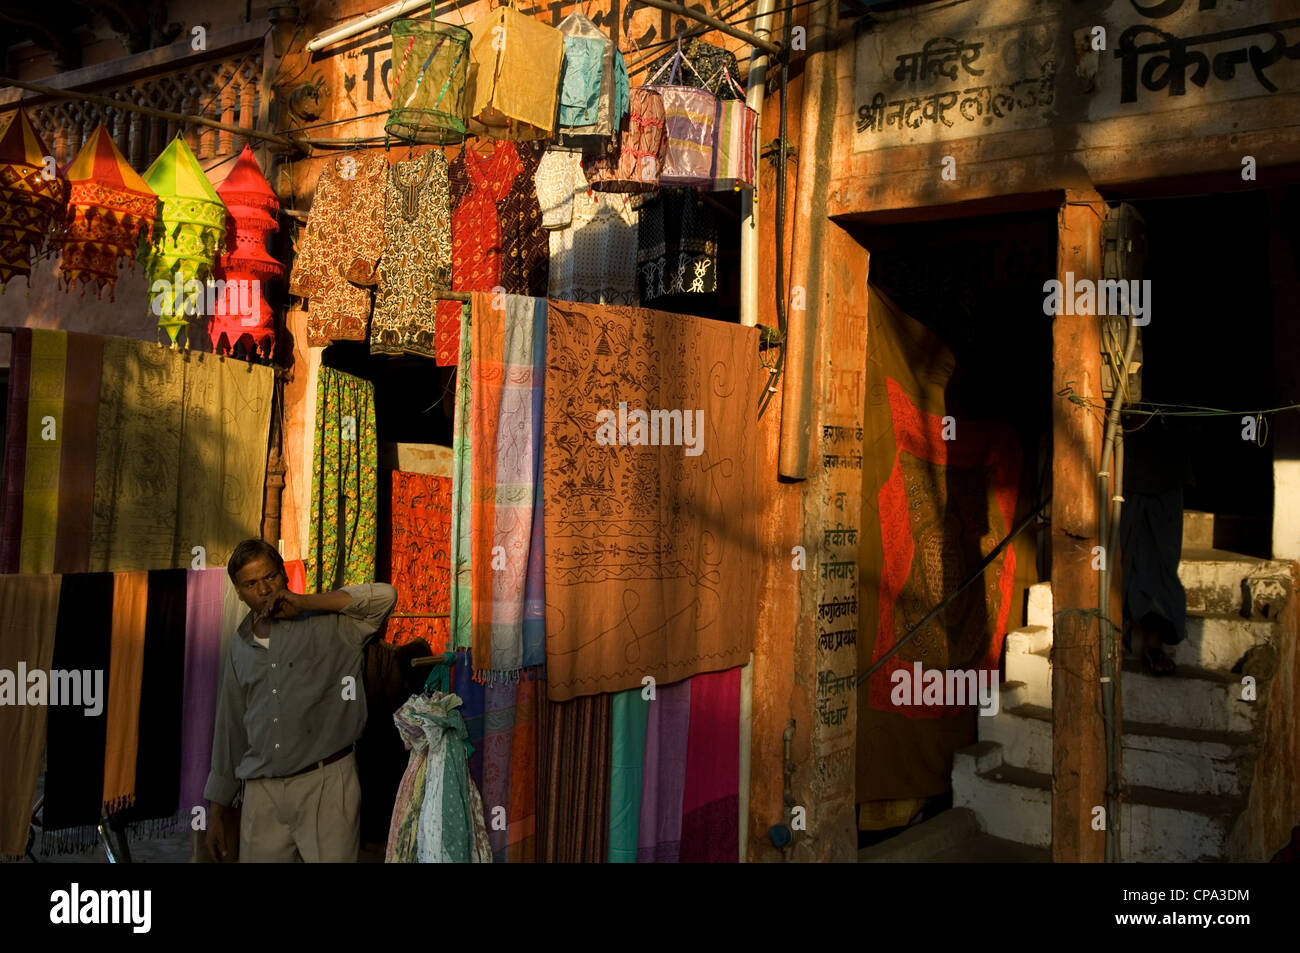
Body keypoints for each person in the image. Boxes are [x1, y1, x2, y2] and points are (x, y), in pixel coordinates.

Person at [203, 539, 397, 862]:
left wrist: (307, 603)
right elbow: (231, 727)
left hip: (326, 783)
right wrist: (218, 811)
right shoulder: (240, 646)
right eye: (250, 584)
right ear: (238, 592)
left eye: (270, 577)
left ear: (285, 576)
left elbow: (384, 597)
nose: (263, 590)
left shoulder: (334, 625)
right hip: (261, 792)